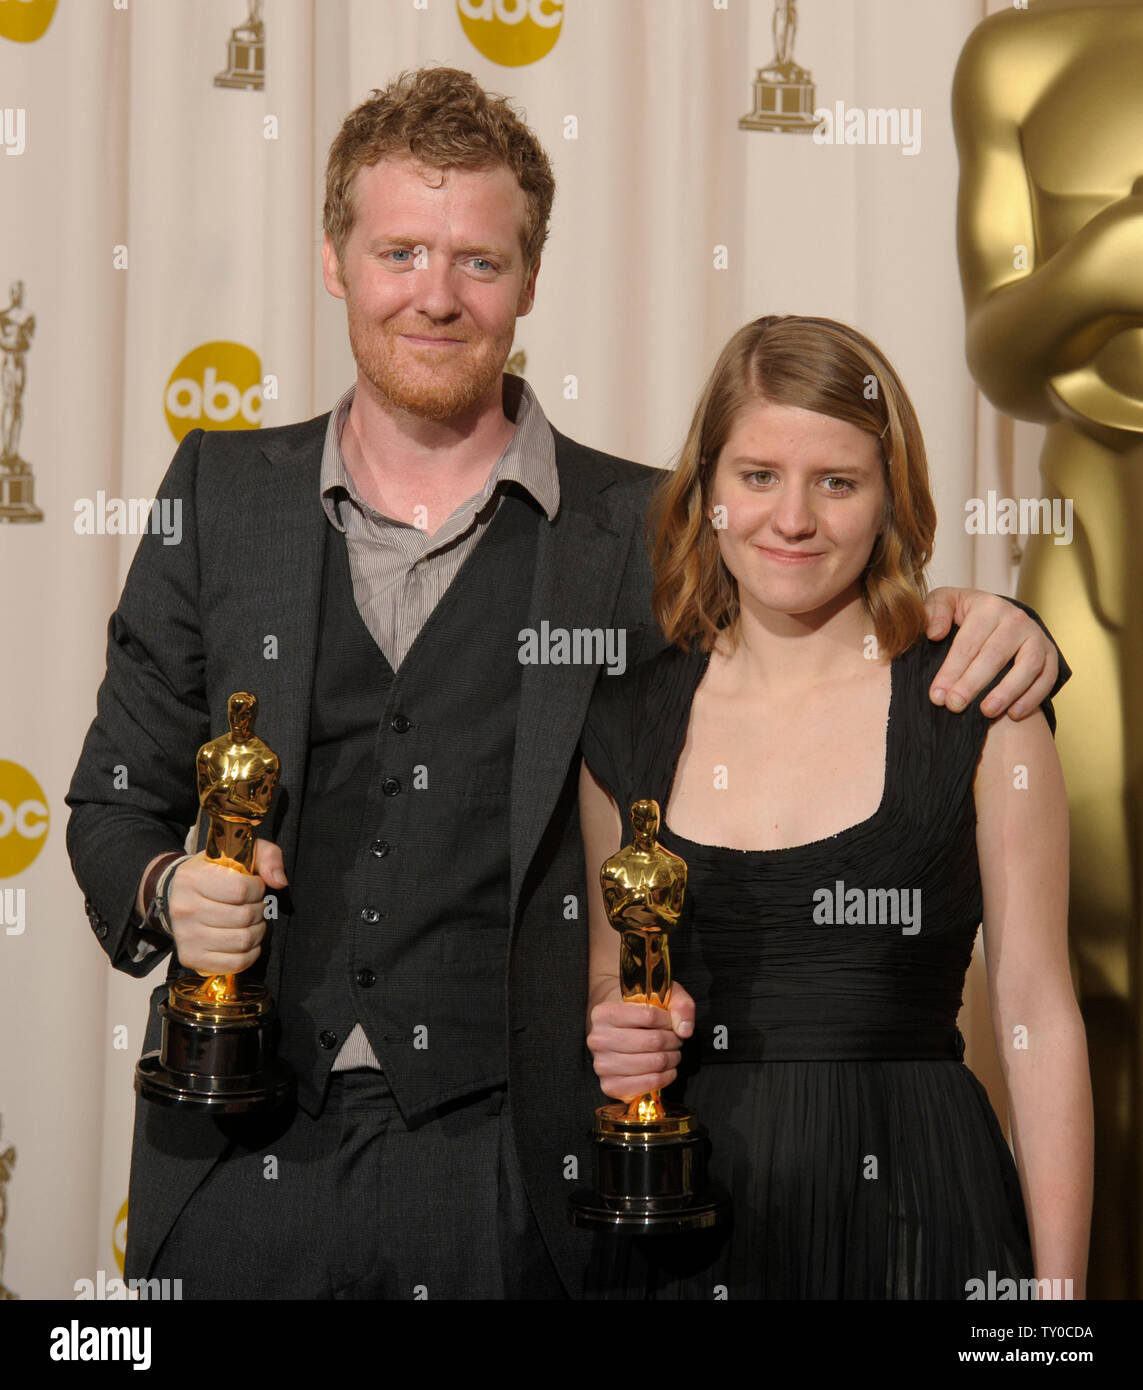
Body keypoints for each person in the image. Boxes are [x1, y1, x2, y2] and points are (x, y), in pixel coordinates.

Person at [67, 69, 1067, 1301]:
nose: (436, 294)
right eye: (400, 251)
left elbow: (814, 616)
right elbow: (111, 804)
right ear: (336, 259)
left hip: (519, 1185)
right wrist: (170, 889)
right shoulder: (220, 495)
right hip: (237, 1147)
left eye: (479, 262)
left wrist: (989, 619)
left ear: (531, 281)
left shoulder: (647, 529)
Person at [579, 315, 1093, 1299]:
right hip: (684, 1220)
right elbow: (610, 978)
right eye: (759, 476)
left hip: (920, 1211)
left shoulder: (980, 702)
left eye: (839, 482)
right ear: (709, 493)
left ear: (889, 498)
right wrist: (616, 1023)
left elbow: (1037, 1012)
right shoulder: (623, 722)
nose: (794, 519)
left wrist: (1059, 1308)